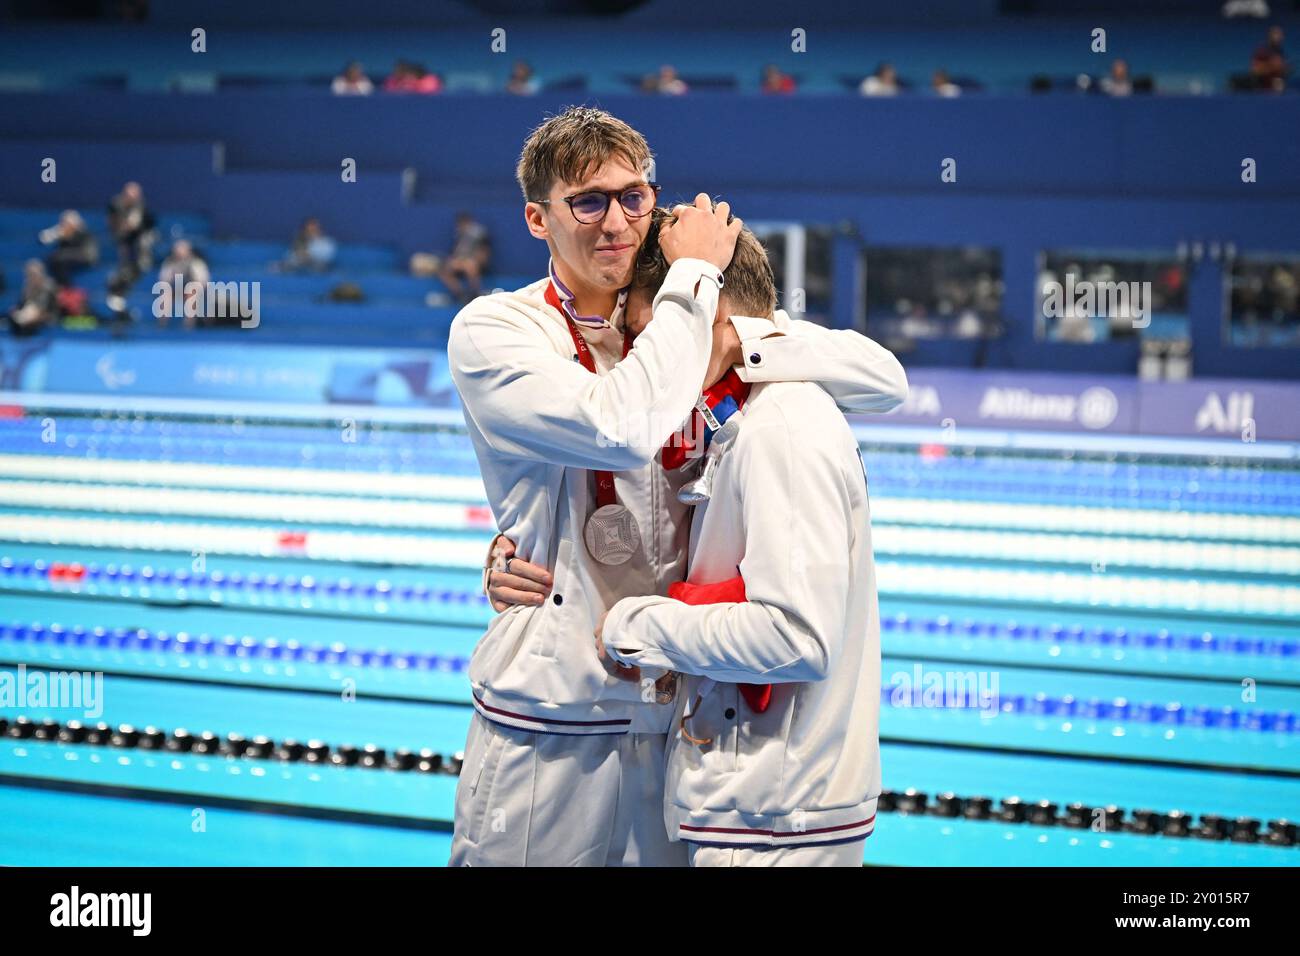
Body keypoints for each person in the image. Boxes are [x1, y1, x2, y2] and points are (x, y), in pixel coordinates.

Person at [448, 106, 907, 867]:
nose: (616, 220)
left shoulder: (683, 318)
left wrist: (728, 334)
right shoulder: (498, 330)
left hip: (673, 722)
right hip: (555, 720)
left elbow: (881, 376)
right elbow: (616, 427)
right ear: (537, 219)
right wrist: (694, 277)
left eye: (635, 196)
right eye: (587, 201)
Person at [594, 216, 879, 866]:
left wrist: (636, 625)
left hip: (777, 819)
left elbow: (796, 639)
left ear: (711, 315)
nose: (647, 360)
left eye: (647, 333)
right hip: (761, 810)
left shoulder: (783, 428)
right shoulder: (744, 419)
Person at [155, 240, 210, 329]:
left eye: (182, 251)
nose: (180, 254)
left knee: (193, 291)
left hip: (195, 292)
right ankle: (162, 323)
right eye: (177, 251)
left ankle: (188, 324)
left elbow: (203, 282)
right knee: (165, 293)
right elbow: (163, 281)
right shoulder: (169, 263)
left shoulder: (197, 263)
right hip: (176, 290)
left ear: (188, 251)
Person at [108, 181, 158, 279]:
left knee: (146, 239)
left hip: (139, 234)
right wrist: (124, 226)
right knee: (123, 241)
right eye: (130, 195)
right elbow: (113, 223)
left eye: (136, 195)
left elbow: (146, 223)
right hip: (120, 233)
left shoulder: (141, 205)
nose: (133, 198)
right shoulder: (115, 204)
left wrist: (134, 226)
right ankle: (124, 265)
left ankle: (143, 264)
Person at [440, 212, 491, 304]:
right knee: (445, 269)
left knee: (470, 265)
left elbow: (484, 254)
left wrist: (474, 259)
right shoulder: (459, 236)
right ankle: (461, 294)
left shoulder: (480, 235)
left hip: (475, 262)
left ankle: (476, 292)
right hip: (461, 261)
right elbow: (455, 253)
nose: (461, 226)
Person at [39, 210, 98, 287]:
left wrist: (67, 237)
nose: (63, 226)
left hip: (87, 255)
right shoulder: (64, 236)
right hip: (70, 258)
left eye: (66, 224)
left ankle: (67, 287)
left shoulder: (83, 233)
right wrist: (55, 234)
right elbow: (41, 239)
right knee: (53, 259)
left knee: (59, 258)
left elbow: (87, 251)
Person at [7, 260, 59, 336]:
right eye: (28, 275)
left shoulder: (49, 287)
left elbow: (43, 309)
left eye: (32, 274)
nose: (29, 277)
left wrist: (28, 316)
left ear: (40, 274)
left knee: (28, 321)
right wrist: (16, 311)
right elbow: (21, 304)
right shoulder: (27, 286)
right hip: (28, 315)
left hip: (47, 317)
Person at [1250, 25, 1291, 91]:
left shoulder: (1280, 51)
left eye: (1281, 34)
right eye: (1277, 34)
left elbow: (1280, 70)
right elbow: (1255, 70)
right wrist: (1272, 67)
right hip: (1262, 88)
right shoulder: (1262, 50)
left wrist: (1285, 69)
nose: (1280, 36)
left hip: (1276, 87)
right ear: (1270, 36)